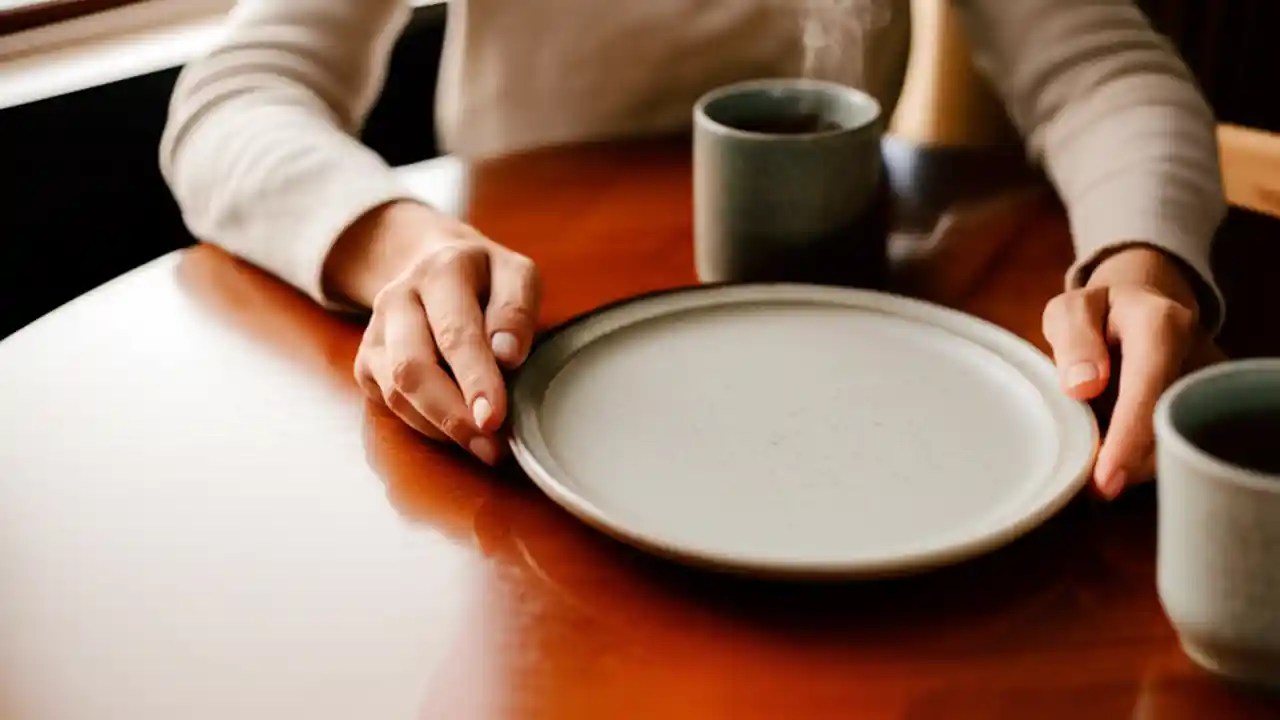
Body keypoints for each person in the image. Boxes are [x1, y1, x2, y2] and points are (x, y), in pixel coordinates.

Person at [160, 0, 1226, 499]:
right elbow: (230, 99)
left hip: (856, 399)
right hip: (520, 382)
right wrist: (405, 246)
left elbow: (1104, 75)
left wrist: (1142, 263)